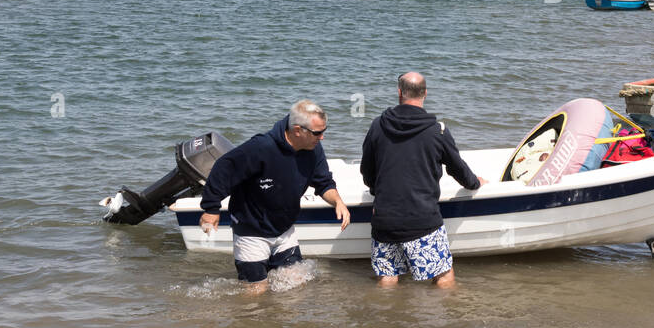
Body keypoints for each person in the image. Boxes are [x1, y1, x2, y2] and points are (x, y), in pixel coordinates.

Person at [199, 100, 350, 293]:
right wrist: (211, 209)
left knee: (296, 284)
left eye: (324, 130)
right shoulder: (261, 148)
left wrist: (338, 202)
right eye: (317, 133)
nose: (322, 137)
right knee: (256, 291)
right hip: (251, 231)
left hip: (284, 230)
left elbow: (323, 183)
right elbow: (224, 168)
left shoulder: (313, 150)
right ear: (297, 130)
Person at [361, 72, 487, 288]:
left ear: (399, 93)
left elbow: (367, 171)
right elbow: (458, 169)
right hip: (422, 220)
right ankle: (437, 320)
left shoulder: (377, 126)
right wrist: (475, 183)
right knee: (444, 276)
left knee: (388, 277)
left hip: (385, 218)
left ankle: (383, 318)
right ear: (425, 93)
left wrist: (377, 194)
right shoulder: (437, 130)